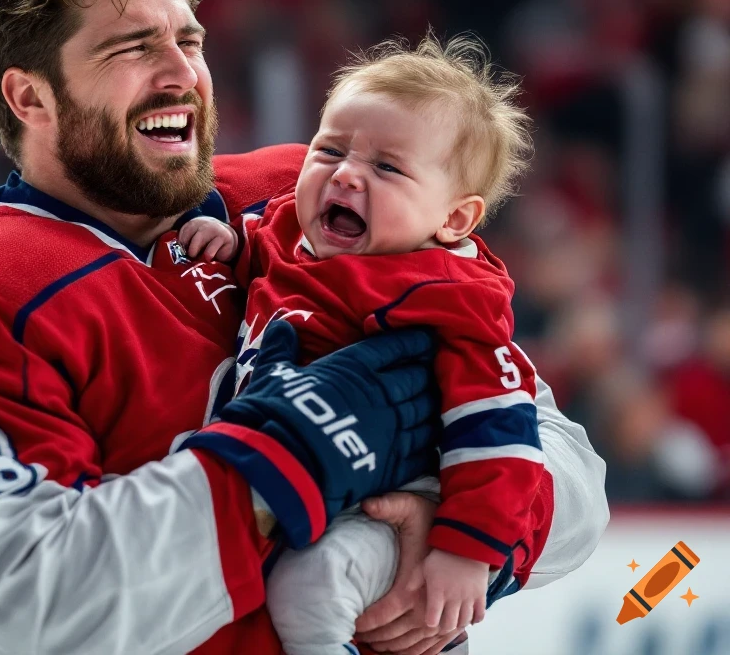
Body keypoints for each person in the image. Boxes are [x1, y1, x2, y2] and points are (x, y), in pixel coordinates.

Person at [0, 0, 609, 655]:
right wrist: (290, 463)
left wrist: (440, 521)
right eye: (132, 48)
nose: (183, 74)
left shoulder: (314, 197)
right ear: (30, 97)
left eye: (189, 40)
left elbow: (566, 472)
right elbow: (29, 606)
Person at [178, 35, 544, 653]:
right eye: (330, 150)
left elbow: (501, 428)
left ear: (453, 220)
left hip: (391, 503)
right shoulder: (296, 229)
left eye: (388, 167)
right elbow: (268, 244)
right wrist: (231, 243)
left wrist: (468, 549)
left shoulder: (445, 294)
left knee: (309, 589)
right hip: (306, 476)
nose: (345, 173)